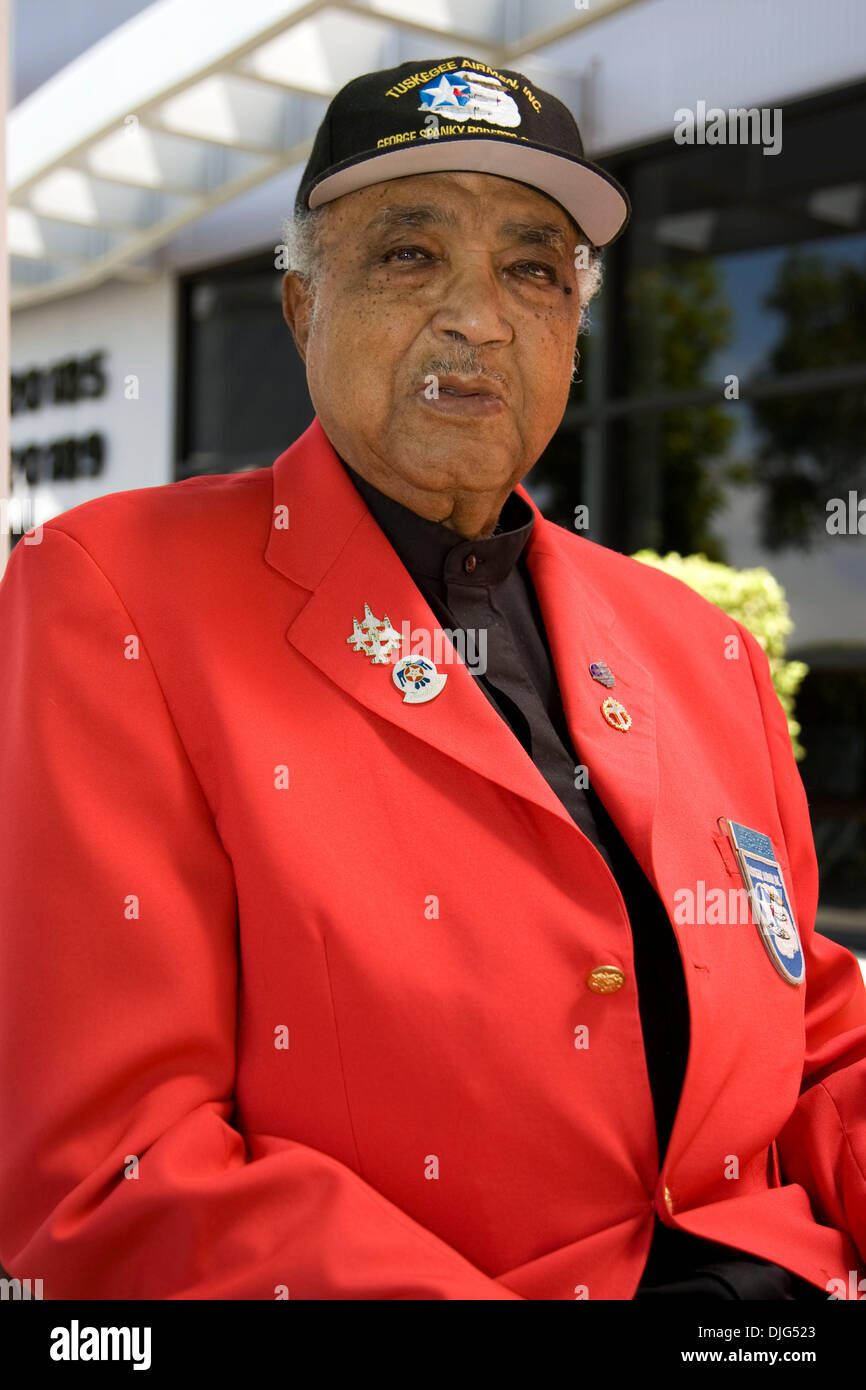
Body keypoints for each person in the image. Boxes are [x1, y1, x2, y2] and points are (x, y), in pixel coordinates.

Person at [0, 56, 864, 1302]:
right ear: (301, 307)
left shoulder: (691, 640)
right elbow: (110, 1174)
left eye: (531, 267)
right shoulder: (111, 594)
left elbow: (817, 1037)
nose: (479, 317)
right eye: (409, 254)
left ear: (572, 328)